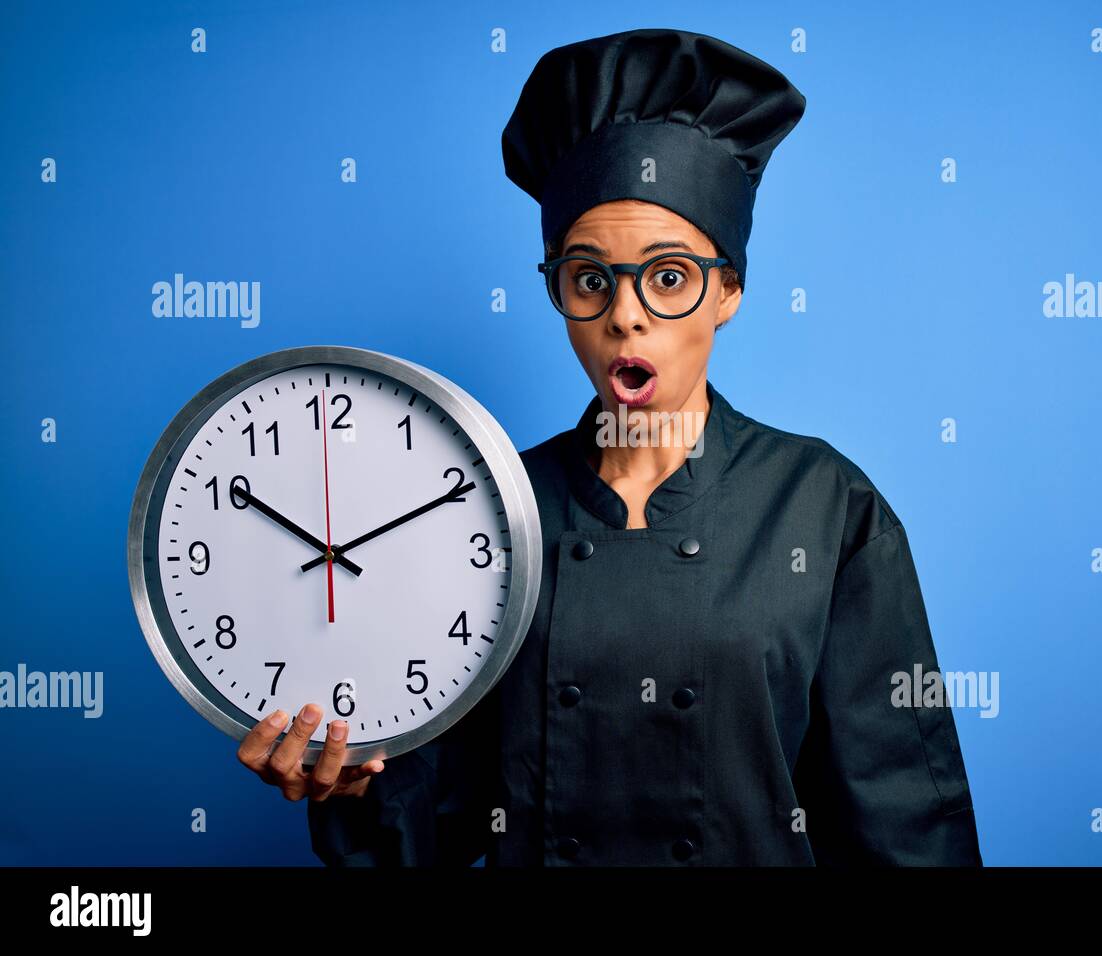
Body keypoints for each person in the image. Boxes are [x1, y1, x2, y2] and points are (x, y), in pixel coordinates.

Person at [236, 27, 983, 866]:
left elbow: (903, 816)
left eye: (668, 277)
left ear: (728, 290)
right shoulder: (482, 511)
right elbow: (432, 821)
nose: (626, 314)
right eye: (590, 278)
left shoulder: (826, 506)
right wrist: (351, 785)